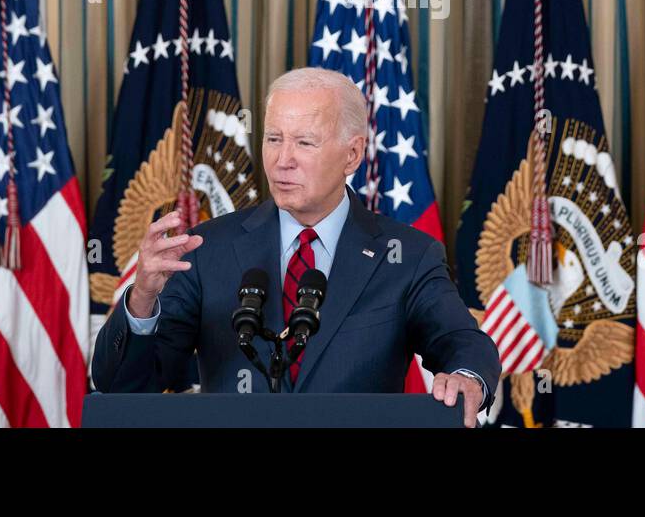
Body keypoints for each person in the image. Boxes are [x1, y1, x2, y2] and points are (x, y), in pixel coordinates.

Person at [90, 67, 501, 427]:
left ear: (353, 154)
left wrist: (466, 376)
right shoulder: (207, 248)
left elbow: (464, 344)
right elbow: (124, 385)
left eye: (304, 143)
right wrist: (142, 298)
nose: (282, 160)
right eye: (273, 139)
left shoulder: (407, 256)